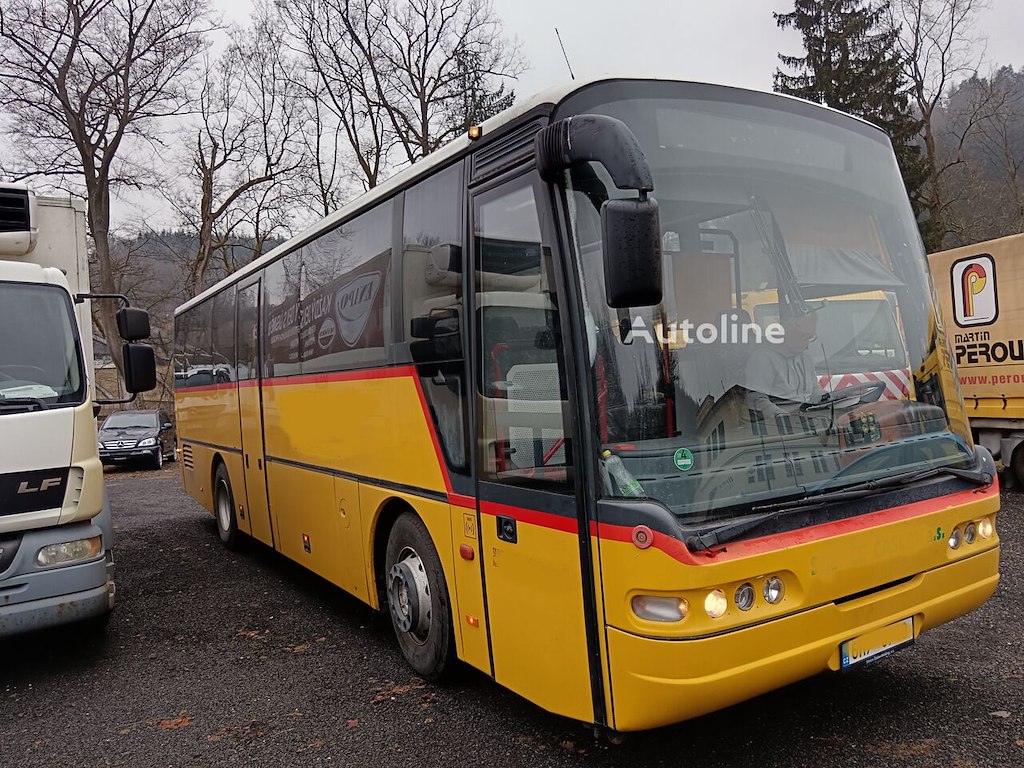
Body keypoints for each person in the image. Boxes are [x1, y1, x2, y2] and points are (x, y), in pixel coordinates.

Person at [745, 310, 826, 417]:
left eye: (810, 337)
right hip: (778, 425)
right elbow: (756, 399)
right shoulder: (763, 358)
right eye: (802, 336)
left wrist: (830, 399)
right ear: (786, 329)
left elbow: (814, 390)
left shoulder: (806, 357)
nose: (806, 343)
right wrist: (784, 417)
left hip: (807, 418)